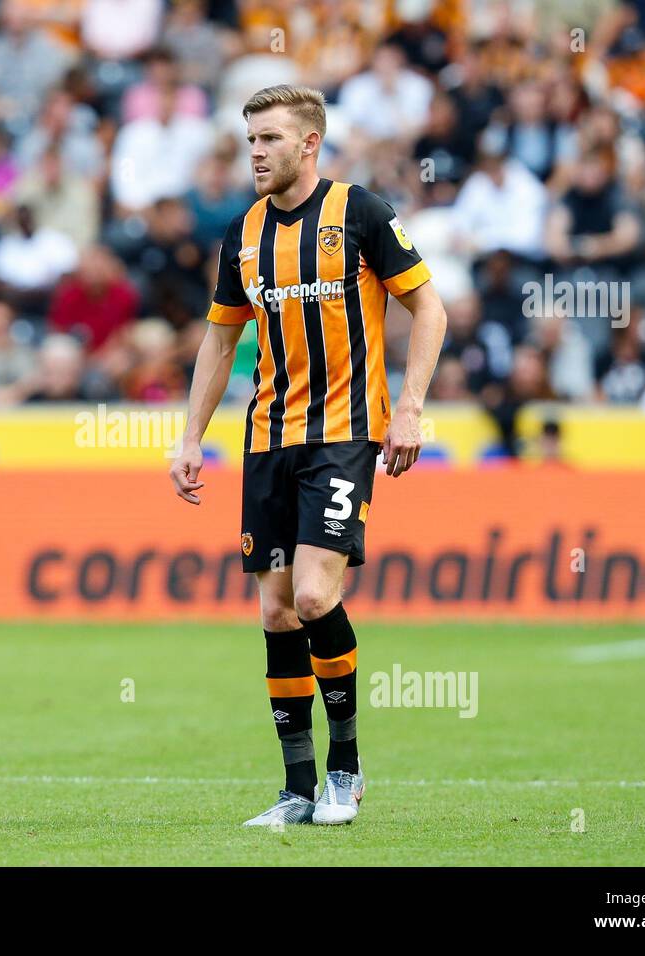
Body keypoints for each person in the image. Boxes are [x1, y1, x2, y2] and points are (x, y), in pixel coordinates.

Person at [168, 85, 447, 827]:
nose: (255, 151)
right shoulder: (241, 235)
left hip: (344, 434)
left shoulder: (361, 214)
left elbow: (430, 308)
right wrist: (191, 436)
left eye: (268, 138)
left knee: (317, 597)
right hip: (267, 439)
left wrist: (410, 407)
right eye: (249, 138)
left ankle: (345, 772)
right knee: (277, 613)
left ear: (308, 144)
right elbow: (220, 340)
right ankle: (295, 790)